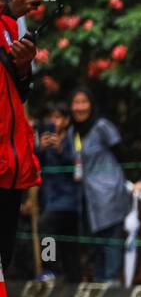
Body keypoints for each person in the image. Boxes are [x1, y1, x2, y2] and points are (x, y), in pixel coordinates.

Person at [0, 0, 42, 273]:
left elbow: (14, 94)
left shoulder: (6, 27)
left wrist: (23, 68)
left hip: (9, 170)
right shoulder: (5, 20)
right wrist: (8, 14)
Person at [69, 86, 136, 283]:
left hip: (110, 192)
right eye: (76, 102)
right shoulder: (73, 131)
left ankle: (111, 283)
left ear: (91, 104)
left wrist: (131, 181)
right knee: (94, 243)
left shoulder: (102, 126)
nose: (80, 107)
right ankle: (98, 282)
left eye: (84, 102)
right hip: (88, 197)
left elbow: (121, 154)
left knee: (111, 241)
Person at [34, 102, 81, 281]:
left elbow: (78, 165)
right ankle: (71, 278)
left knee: (46, 226)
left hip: (69, 199)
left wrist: (61, 151)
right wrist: (40, 150)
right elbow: (34, 165)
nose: (54, 121)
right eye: (50, 118)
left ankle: (50, 269)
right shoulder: (41, 138)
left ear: (67, 120)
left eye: (58, 117)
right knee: (65, 240)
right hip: (49, 199)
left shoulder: (73, 137)